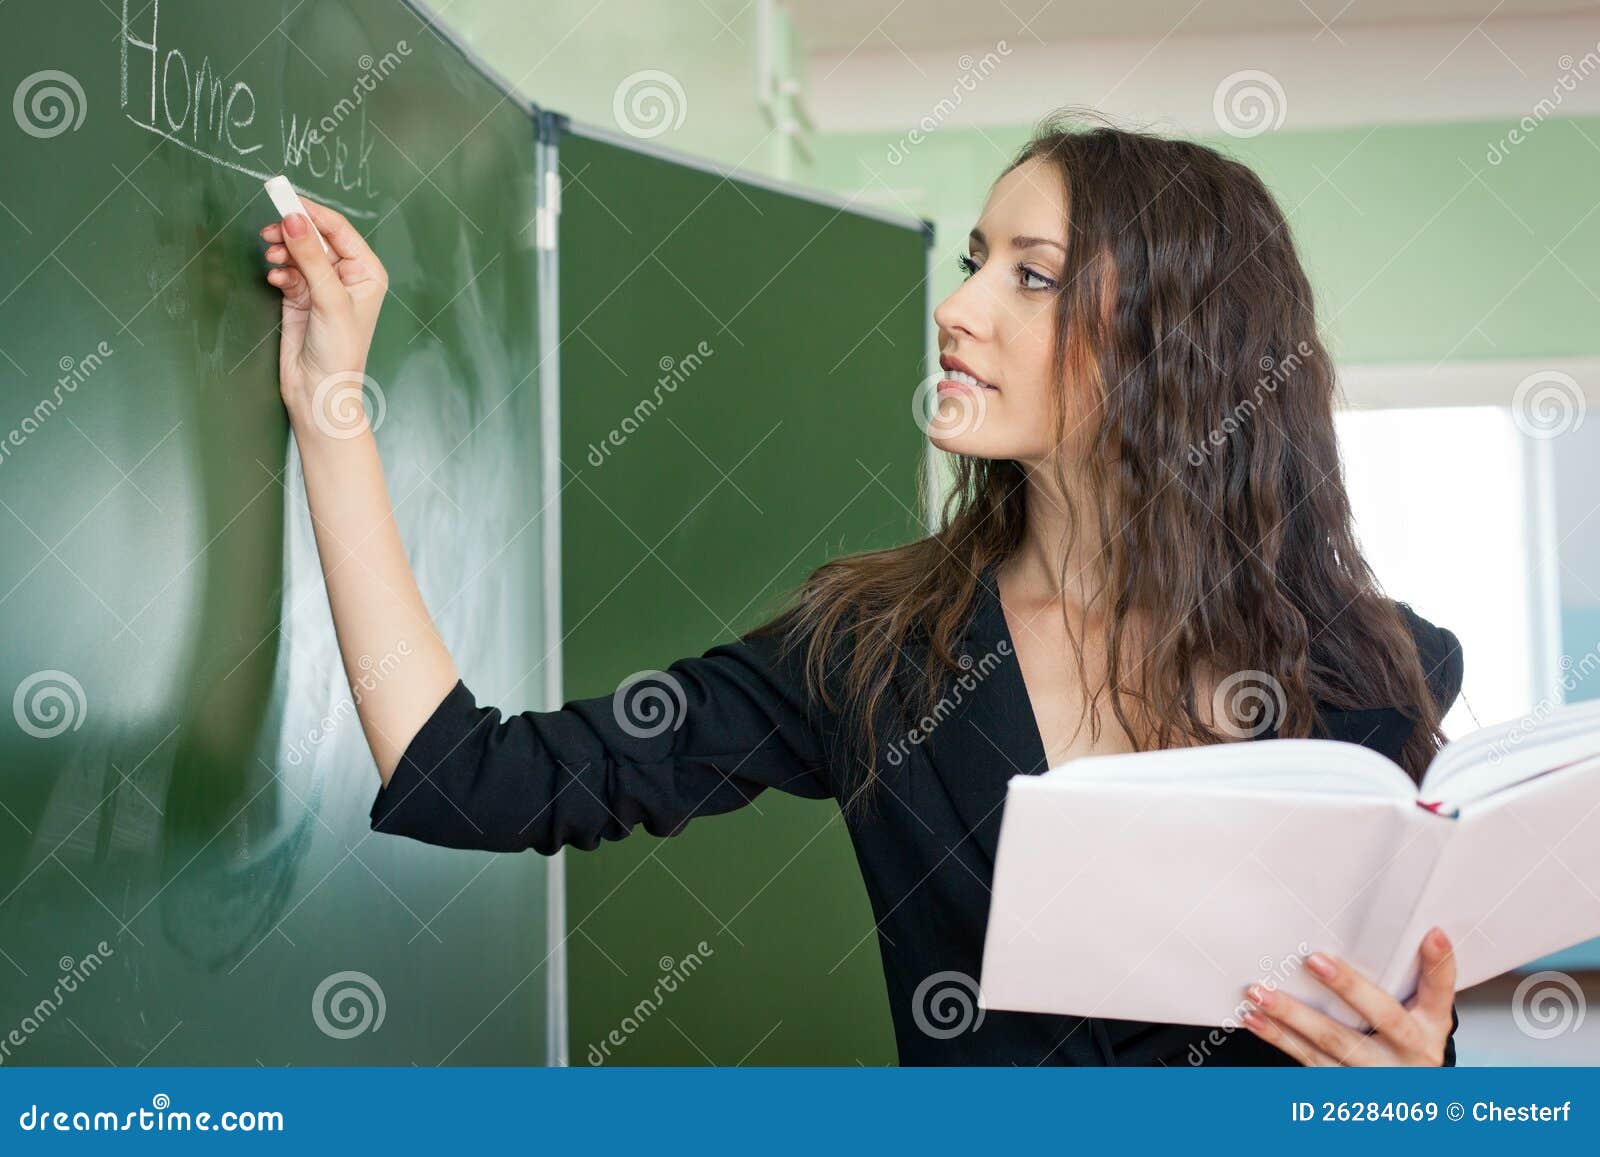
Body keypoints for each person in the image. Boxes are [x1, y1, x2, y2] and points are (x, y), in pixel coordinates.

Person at [257, 110, 1463, 1066]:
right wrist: (330, 407)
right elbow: (475, 780)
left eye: (1030, 278)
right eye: (975, 259)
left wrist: (1414, 1097)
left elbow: (1409, 1052)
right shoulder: (878, 650)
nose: (956, 306)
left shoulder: (1368, 675)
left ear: (1178, 339)